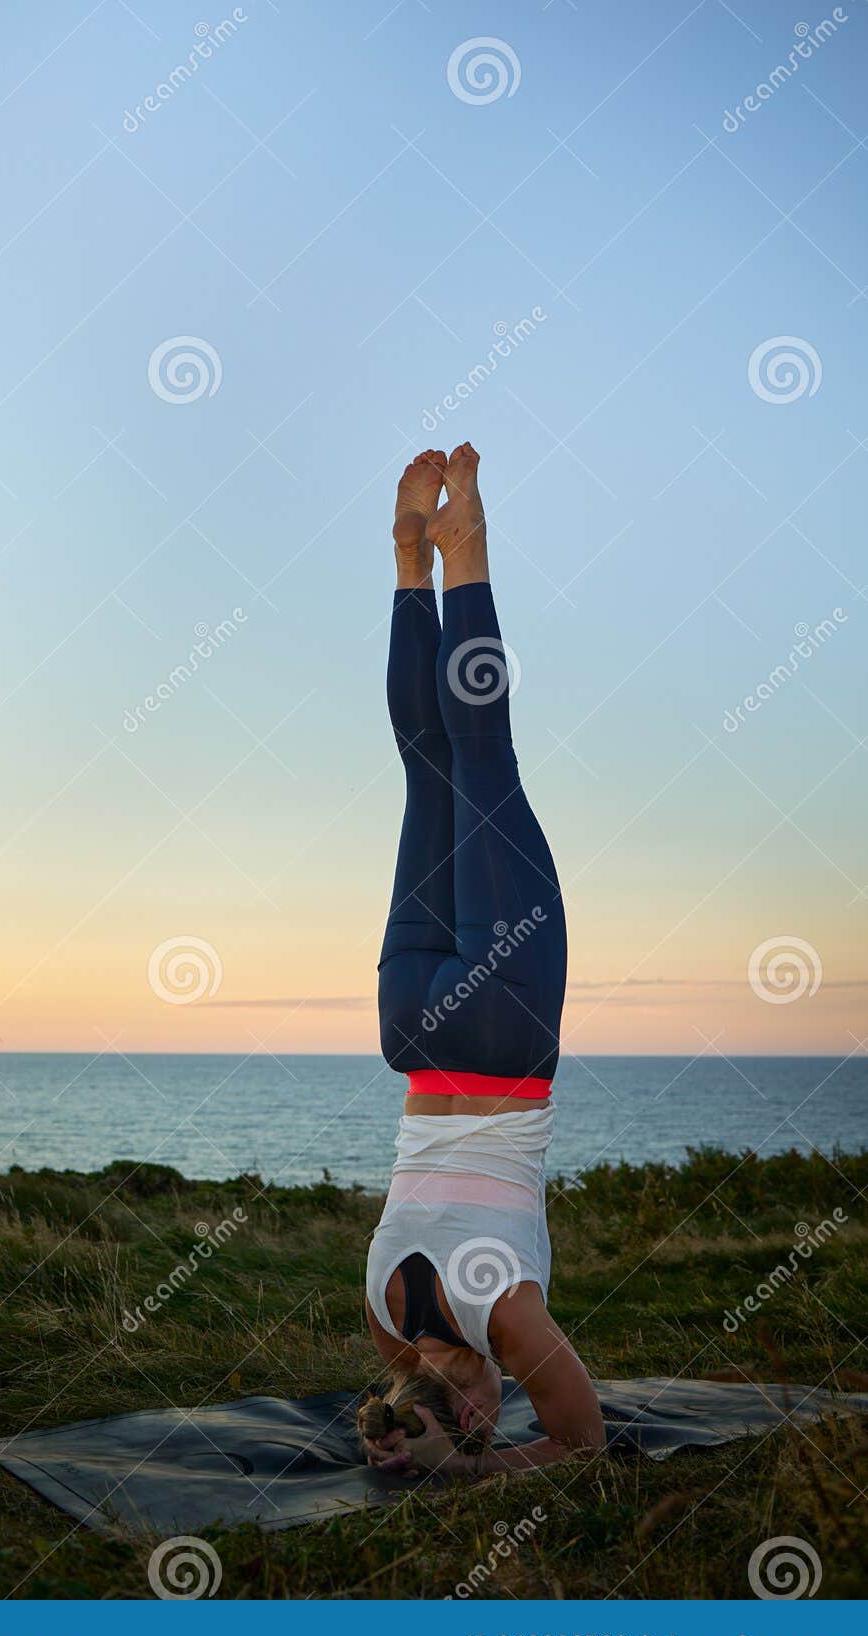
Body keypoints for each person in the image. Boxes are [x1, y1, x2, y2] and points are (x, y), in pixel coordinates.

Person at [360, 443, 604, 1479]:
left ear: (469, 1401)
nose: (504, 1405)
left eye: (484, 1411)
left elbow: (580, 1442)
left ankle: (465, 554)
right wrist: (412, 1432)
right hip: (409, 1032)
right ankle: (408, 561)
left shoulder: (507, 1318)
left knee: (481, 758)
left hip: (498, 1036)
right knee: (424, 773)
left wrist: (476, 1468)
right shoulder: (381, 1312)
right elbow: (411, 1393)